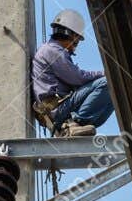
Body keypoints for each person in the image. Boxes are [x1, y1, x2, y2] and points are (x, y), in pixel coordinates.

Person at [31, 8, 113, 138]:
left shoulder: (54, 50)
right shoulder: (53, 51)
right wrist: (106, 73)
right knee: (108, 83)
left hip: (60, 109)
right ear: (72, 35)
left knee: (115, 93)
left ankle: (76, 125)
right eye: (77, 40)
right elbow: (78, 78)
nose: (76, 45)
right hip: (57, 111)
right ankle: (73, 124)